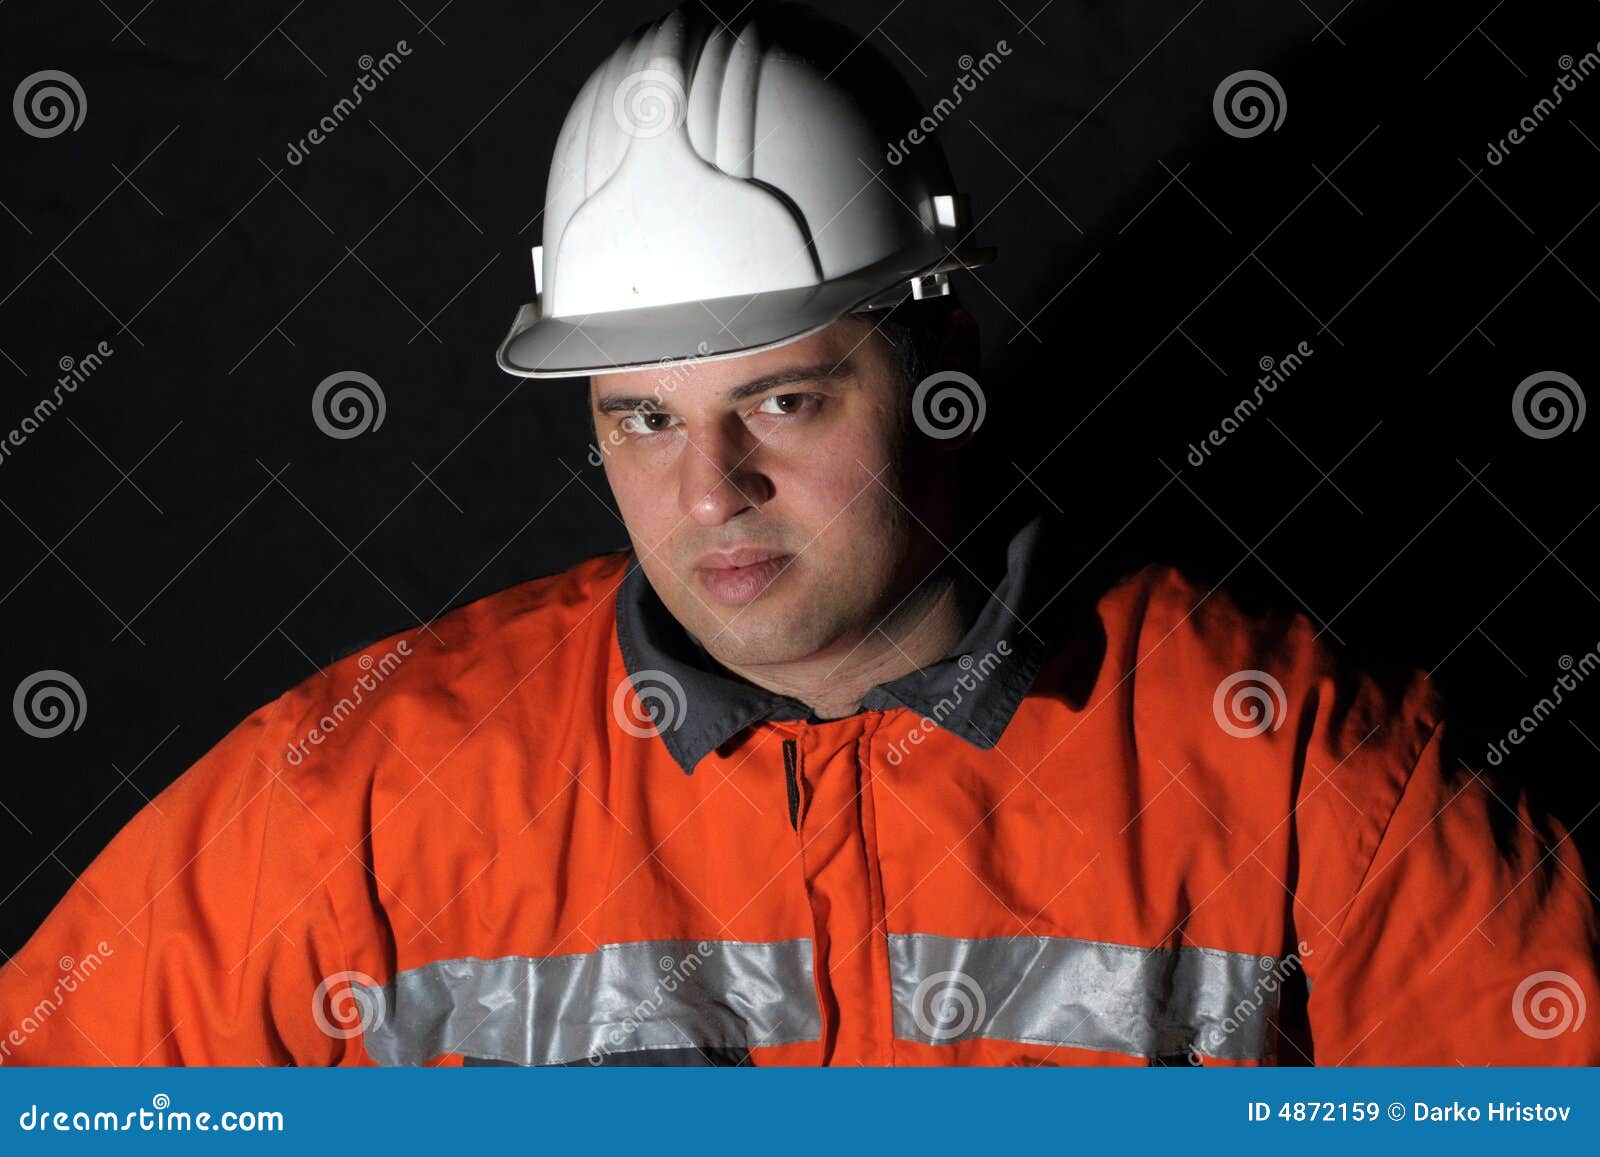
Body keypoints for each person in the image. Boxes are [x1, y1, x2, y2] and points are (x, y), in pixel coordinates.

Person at [1, 0, 1595, 1068]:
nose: (710, 493)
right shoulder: (360, 794)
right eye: (642, 417)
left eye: (785, 402)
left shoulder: (1301, 772)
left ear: (938, 374)